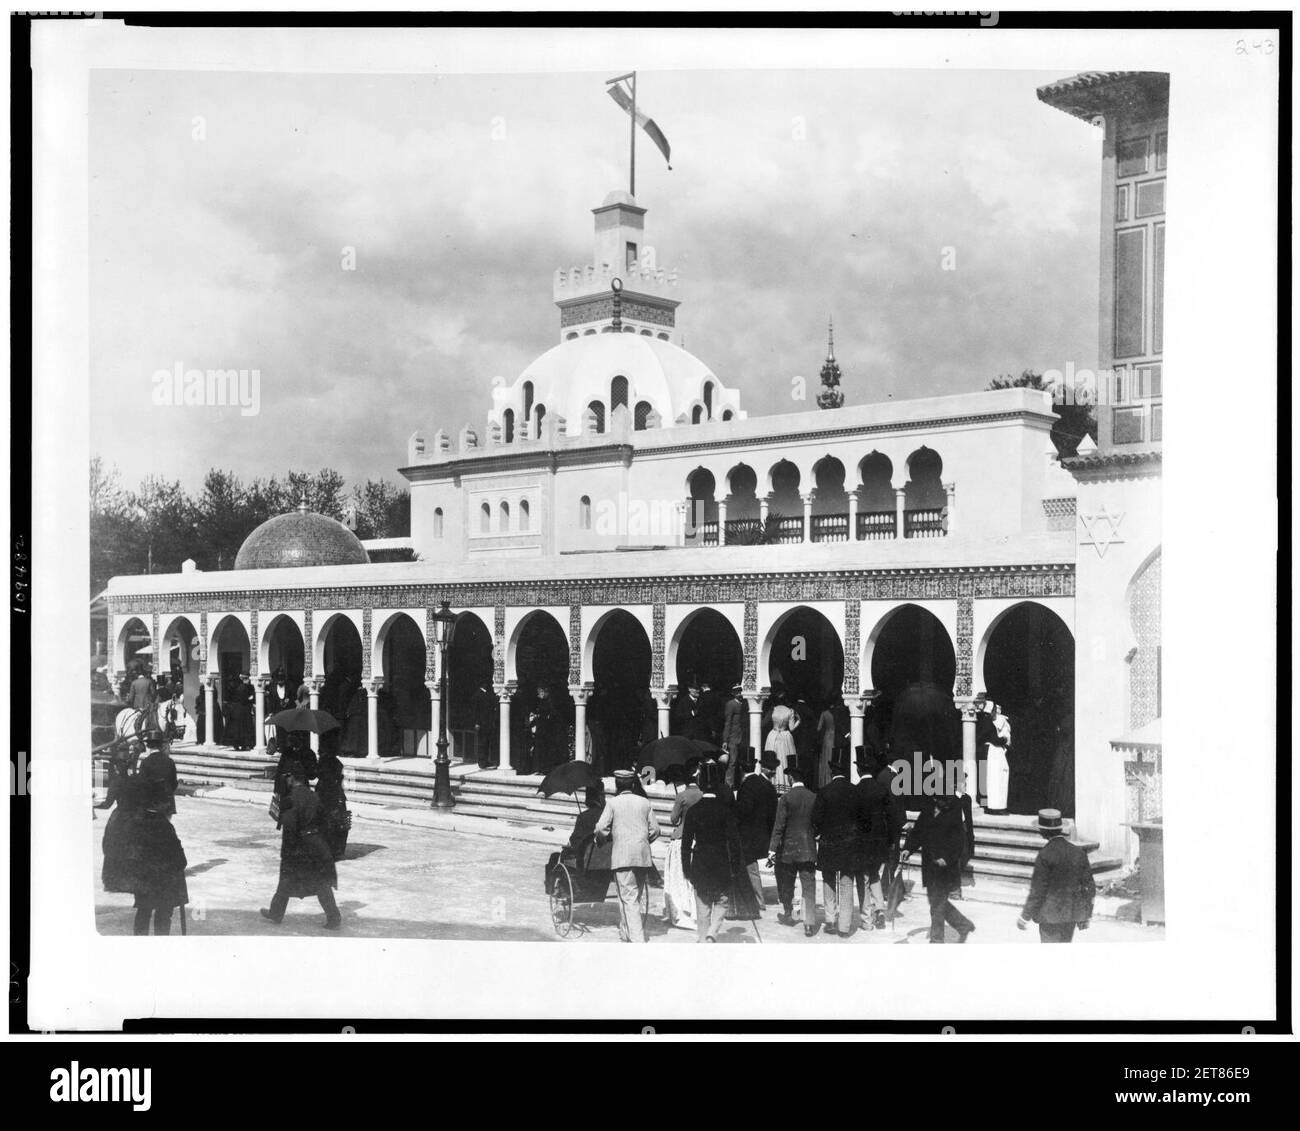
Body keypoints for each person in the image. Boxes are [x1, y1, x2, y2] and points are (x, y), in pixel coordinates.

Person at [261, 760, 341, 929]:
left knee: (286, 879)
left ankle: (276, 913)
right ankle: (333, 917)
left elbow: (290, 828)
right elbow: (324, 821)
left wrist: (287, 852)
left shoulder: (290, 799)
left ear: (291, 778)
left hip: (299, 846)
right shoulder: (313, 795)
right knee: (321, 883)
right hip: (317, 844)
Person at [681, 760, 746, 943]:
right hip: (721, 861)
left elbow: (685, 845)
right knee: (722, 900)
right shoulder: (726, 811)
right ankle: (712, 933)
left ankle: (703, 939)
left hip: (700, 860)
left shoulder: (693, 811)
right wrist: (734, 867)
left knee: (702, 903)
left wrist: (686, 869)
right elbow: (734, 842)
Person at [593, 769, 660, 943]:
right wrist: (643, 841)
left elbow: (600, 827)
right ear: (632, 784)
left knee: (628, 898)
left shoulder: (613, 803)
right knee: (632, 897)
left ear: (617, 784)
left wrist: (606, 838)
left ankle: (638, 940)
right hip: (642, 855)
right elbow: (656, 830)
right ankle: (626, 933)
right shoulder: (644, 802)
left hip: (622, 855)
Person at [901, 793, 975, 943]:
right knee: (935, 901)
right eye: (939, 799)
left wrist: (946, 858)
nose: (942, 802)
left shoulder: (953, 810)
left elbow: (959, 841)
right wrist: (908, 848)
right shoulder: (928, 809)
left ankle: (936, 940)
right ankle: (963, 924)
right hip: (929, 865)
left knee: (938, 902)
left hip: (945, 868)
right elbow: (918, 832)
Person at [1017, 809, 1095, 942]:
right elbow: (1090, 887)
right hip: (1070, 916)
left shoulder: (1044, 855)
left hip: (1049, 918)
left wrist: (1025, 916)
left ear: (1042, 831)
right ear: (1060, 829)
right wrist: (1086, 915)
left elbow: (1038, 891)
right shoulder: (1078, 853)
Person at [129, 774, 190, 935]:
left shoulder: (136, 823)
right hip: (163, 883)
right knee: (163, 914)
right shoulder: (164, 826)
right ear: (160, 802)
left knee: (143, 912)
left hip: (142, 881)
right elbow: (180, 860)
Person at [811, 751, 863, 936]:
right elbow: (862, 820)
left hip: (829, 844)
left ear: (832, 771)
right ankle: (844, 926)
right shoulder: (855, 792)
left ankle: (830, 919)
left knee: (828, 881)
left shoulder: (824, 792)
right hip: (850, 844)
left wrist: (818, 834)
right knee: (847, 883)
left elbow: (815, 819)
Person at [768, 763, 819, 935]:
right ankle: (809, 923)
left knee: (787, 883)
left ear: (791, 778)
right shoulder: (813, 797)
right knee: (809, 886)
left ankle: (788, 914)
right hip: (808, 849)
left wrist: (772, 850)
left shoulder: (785, 798)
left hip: (788, 850)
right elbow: (817, 824)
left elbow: (779, 826)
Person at [734, 749, 778, 915]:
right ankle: (756, 899)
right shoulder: (766, 786)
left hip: (747, 835)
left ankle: (758, 901)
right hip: (762, 834)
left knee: (750, 868)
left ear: (741, 768)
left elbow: (745, 810)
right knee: (751, 867)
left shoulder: (747, 785)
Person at [854, 752, 891, 931]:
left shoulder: (856, 791)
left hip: (862, 843)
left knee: (863, 879)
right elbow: (889, 817)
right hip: (879, 842)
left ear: (858, 769)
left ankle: (867, 920)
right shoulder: (882, 790)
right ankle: (880, 910)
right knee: (875, 875)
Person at [663, 765, 702, 930]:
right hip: (698, 839)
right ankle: (696, 913)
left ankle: (680, 913)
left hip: (681, 837)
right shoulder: (702, 795)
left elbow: (673, 819)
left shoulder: (682, 796)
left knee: (679, 876)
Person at [314, 741, 350, 861]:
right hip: (335, 794)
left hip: (326, 795)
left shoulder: (324, 762)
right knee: (336, 824)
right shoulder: (337, 763)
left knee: (327, 823)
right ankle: (336, 850)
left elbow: (318, 775)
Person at [136, 734, 179, 819]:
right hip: (166, 802)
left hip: (150, 804)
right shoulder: (170, 761)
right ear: (161, 746)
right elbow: (174, 783)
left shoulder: (145, 762)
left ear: (148, 746)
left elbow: (142, 783)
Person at [764, 697, 798, 792]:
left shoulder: (773, 709)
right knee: (784, 760)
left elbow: (763, 723)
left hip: (773, 735)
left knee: (772, 759)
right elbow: (791, 728)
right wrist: (798, 721)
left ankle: (772, 784)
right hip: (785, 736)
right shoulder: (790, 711)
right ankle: (784, 785)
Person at [984, 701, 1011, 814]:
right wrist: (1004, 739)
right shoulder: (988, 723)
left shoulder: (988, 722)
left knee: (992, 780)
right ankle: (996, 808)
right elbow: (995, 739)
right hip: (993, 753)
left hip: (991, 753)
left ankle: (990, 806)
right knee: (995, 781)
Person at [720, 683, 747, 787]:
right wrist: (725, 740)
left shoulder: (745, 703)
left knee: (743, 762)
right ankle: (728, 785)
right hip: (733, 737)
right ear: (733, 693)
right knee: (732, 762)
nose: (740, 694)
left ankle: (742, 783)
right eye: (737, 692)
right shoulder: (731, 704)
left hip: (743, 737)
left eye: (741, 691)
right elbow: (728, 722)